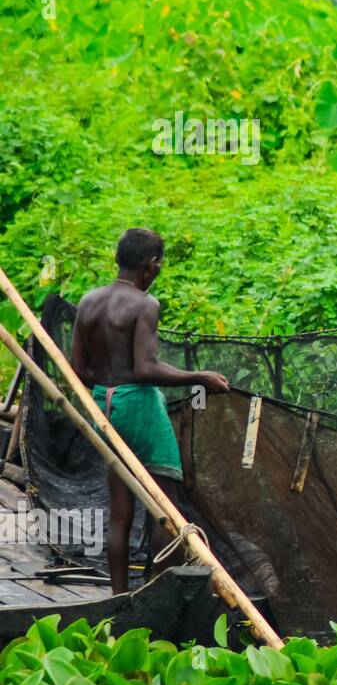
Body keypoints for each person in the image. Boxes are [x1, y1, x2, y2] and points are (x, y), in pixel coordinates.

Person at [70, 228, 231, 595]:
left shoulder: (89, 301)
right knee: (165, 500)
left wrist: (110, 383)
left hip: (101, 405)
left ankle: (120, 597)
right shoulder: (145, 304)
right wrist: (198, 377)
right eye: (159, 265)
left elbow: (77, 370)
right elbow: (145, 369)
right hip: (138, 404)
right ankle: (157, 590)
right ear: (151, 265)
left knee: (120, 511)